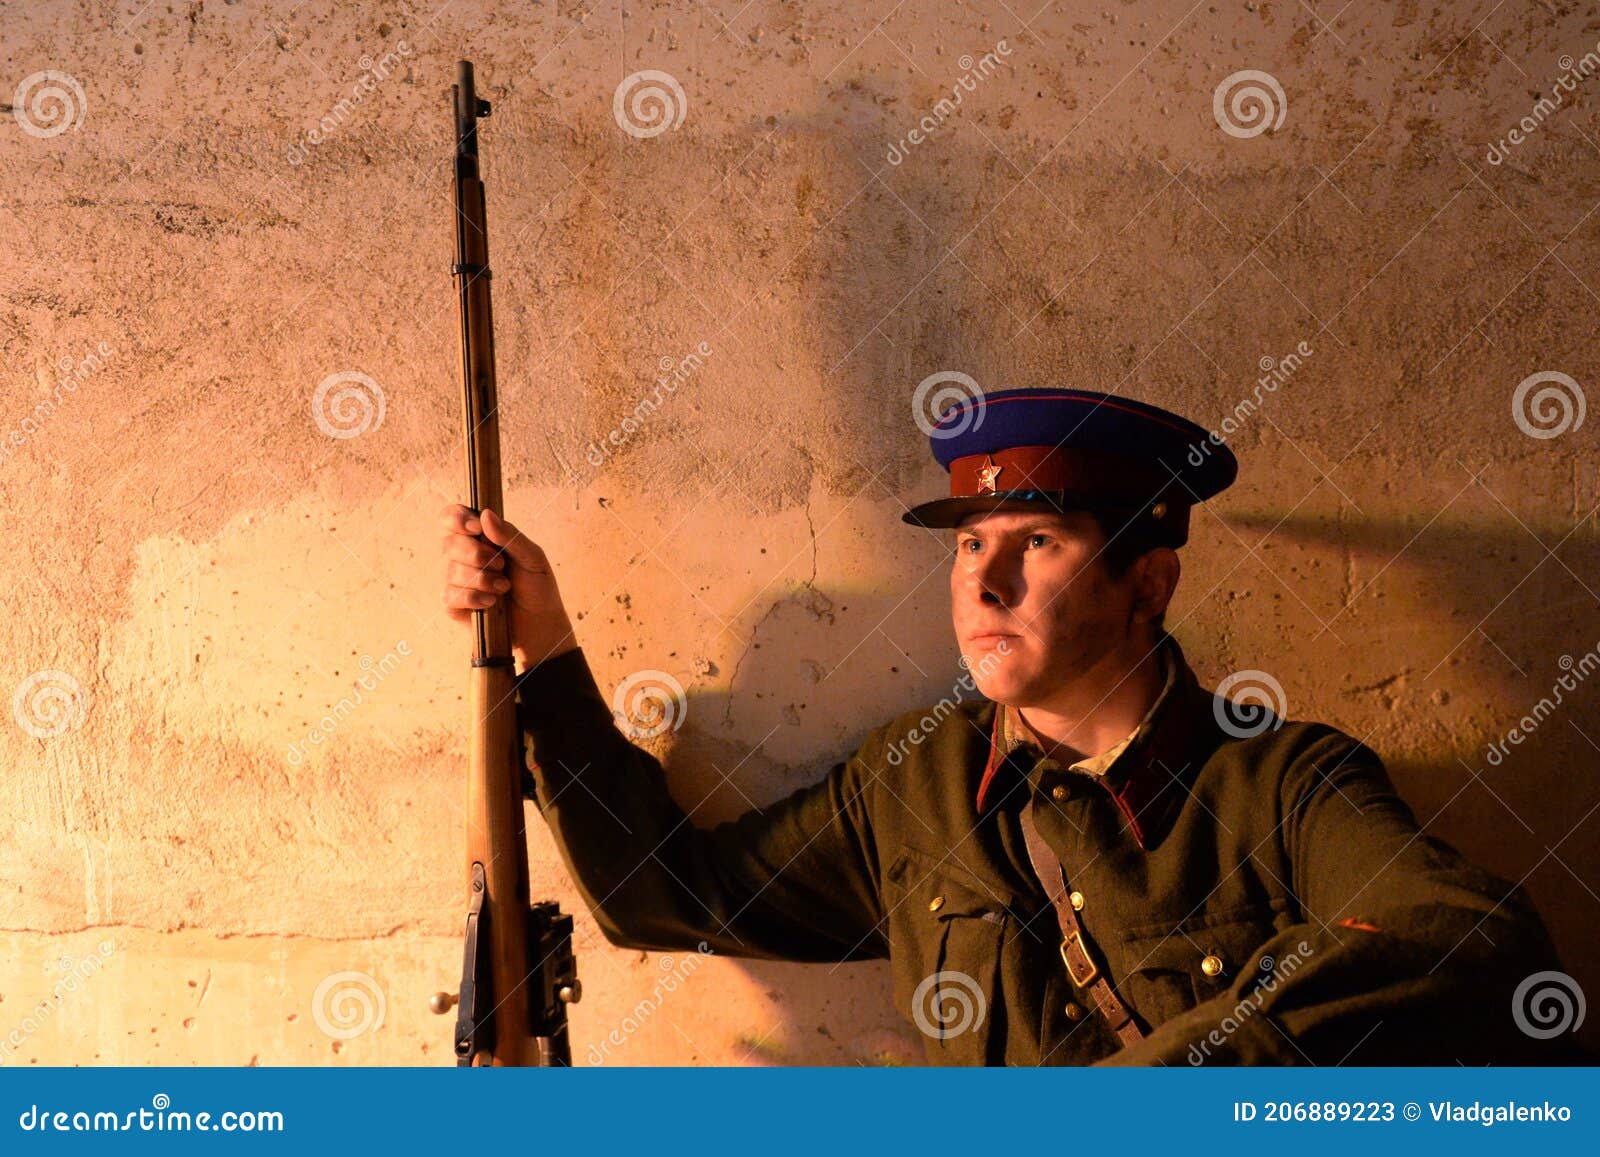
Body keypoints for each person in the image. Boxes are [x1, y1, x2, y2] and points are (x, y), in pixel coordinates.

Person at [439, 387, 1585, 1065]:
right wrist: (546, 643)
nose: (980, 584)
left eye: (1033, 542)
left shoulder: (1279, 779)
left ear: (1149, 580)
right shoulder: (916, 783)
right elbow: (664, 893)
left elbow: (1470, 943)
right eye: (965, 547)